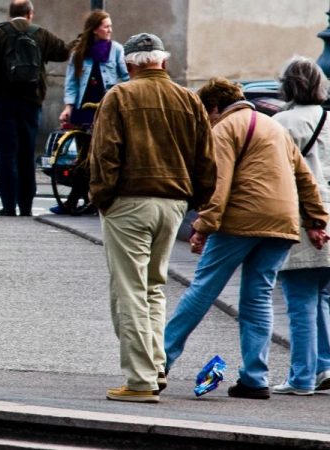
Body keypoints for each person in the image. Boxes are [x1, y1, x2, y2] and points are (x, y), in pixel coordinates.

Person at [164, 77, 329, 400]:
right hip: (282, 223)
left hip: (240, 220)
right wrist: (315, 221)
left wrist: (203, 226)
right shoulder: (274, 128)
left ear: (214, 107)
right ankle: (255, 378)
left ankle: (160, 361)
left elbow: (218, 182)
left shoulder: (224, 129)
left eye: (206, 113)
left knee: (203, 288)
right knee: (258, 297)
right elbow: (304, 178)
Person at [88, 33, 216, 403]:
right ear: (162, 61)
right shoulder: (188, 99)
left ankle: (140, 380)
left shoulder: (120, 96)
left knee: (129, 291)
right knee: (154, 287)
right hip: (173, 202)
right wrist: (197, 202)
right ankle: (157, 365)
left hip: (129, 201)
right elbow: (206, 159)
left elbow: (105, 154)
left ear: (129, 64)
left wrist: (102, 199)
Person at [0, 0, 69, 217]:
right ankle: (26, 206)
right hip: (30, 102)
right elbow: (63, 52)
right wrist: (81, 41)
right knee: (26, 154)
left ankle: (8, 205)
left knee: (6, 154)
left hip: (3, 102)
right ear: (30, 14)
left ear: (10, 14)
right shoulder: (40, 33)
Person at [271, 56, 330, 395]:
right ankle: (324, 366)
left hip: (300, 219)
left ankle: (302, 376)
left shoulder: (281, 122)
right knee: (322, 296)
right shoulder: (329, 120)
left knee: (300, 300)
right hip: (329, 218)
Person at [50, 9, 129, 215]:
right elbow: (72, 83)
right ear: (95, 30)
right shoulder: (79, 52)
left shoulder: (117, 50)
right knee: (82, 157)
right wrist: (68, 107)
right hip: (82, 110)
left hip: (105, 109)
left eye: (110, 26)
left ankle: (81, 200)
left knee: (96, 157)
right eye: (106, 26)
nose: (110, 30)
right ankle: (83, 199)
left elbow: (126, 77)